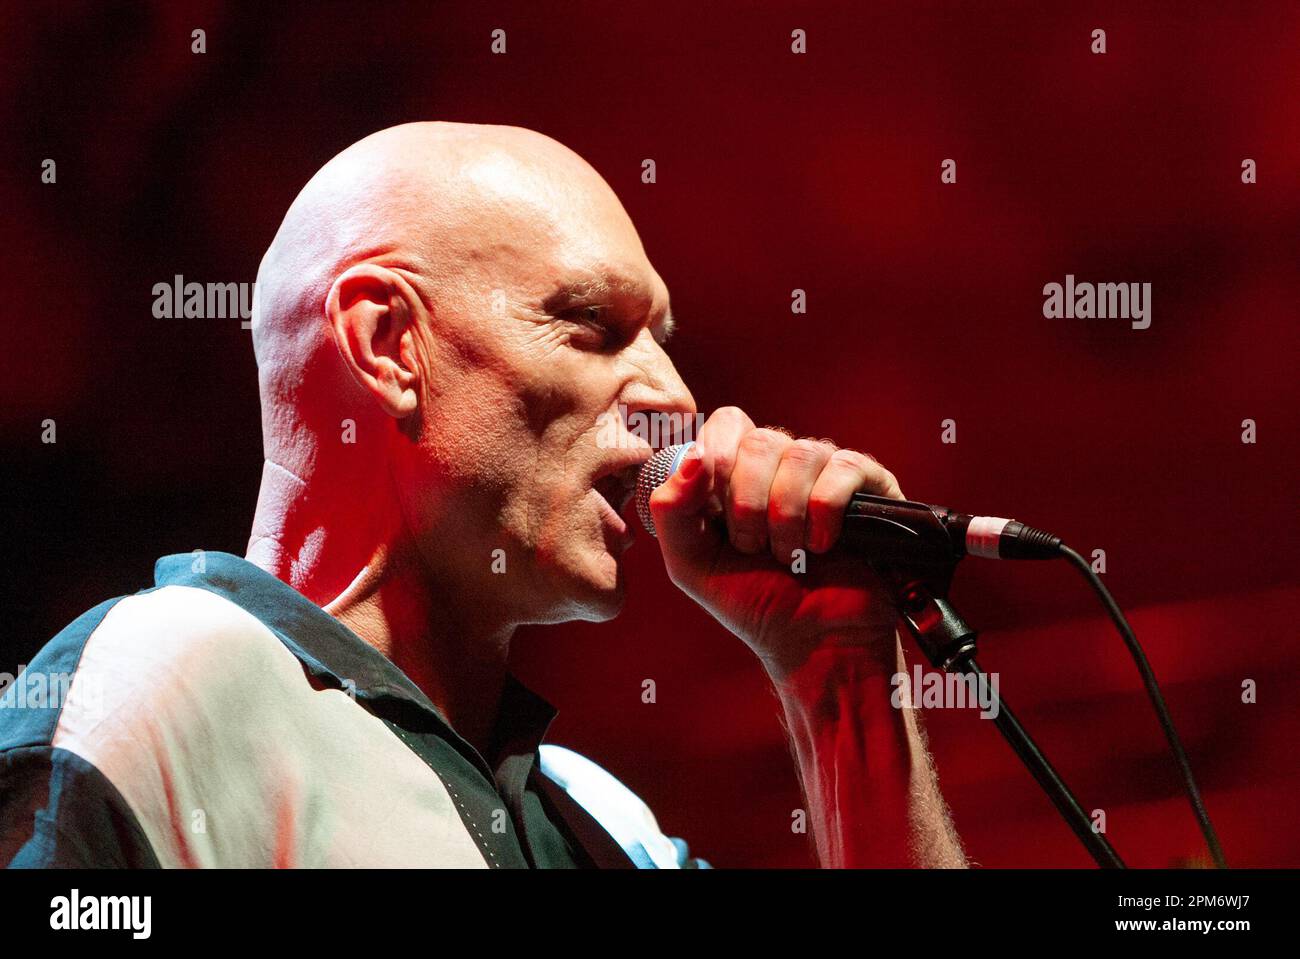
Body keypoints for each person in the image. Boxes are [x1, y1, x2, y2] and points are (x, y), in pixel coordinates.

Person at [0, 122, 965, 868]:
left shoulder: (609, 828)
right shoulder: (165, 684)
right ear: (389, 345)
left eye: (662, 337)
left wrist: (839, 676)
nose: (674, 395)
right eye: (592, 322)